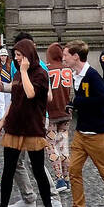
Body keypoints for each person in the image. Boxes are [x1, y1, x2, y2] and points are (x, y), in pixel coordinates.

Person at [57, 40, 104, 207]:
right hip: (81, 134)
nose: (64, 58)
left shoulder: (92, 76)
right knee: (73, 171)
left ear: (76, 56)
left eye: (66, 55)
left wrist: (77, 103)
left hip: (97, 135)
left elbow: (102, 99)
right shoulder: (77, 75)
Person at [0, 38, 56, 207]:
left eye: (20, 56)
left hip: (33, 126)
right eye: (16, 56)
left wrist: (23, 71)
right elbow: (15, 98)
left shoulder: (40, 74)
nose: (17, 59)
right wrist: (3, 120)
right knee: (8, 171)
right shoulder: (19, 73)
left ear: (28, 55)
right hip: (15, 125)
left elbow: (30, 93)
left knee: (38, 171)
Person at [45, 43, 73, 192]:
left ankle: (59, 179)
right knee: (63, 146)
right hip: (66, 112)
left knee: (50, 145)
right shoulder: (68, 70)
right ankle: (67, 179)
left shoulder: (47, 71)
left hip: (52, 113)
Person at [0, 46, 13, 123]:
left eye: (5, 55)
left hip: (8, 84)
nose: (3, 57)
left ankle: (7, 117)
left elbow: (11, 75)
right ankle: (1, 117)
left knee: (8, 102)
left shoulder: (10, 64)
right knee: (1, 101)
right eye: (2, 55)